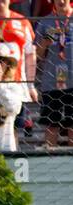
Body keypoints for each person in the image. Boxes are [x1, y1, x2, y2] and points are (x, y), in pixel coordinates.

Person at [35, 0, 73, 145]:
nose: (61, 1)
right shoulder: (45, 22)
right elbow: (36, 56)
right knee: (52, 125)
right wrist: (44, 43)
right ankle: (49, 160)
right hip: (52, 80)